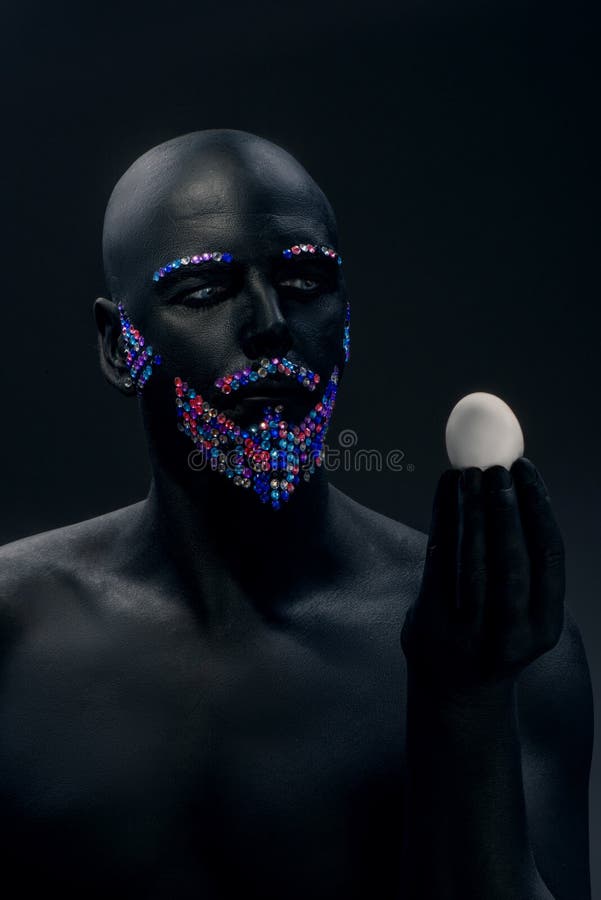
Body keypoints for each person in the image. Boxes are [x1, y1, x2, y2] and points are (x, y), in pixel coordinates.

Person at [0, 129, 593, 899]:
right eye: (205, 290)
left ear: (345, 321)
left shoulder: (506, 646)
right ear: (121, 346)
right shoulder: (11, 631)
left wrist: (465, 701)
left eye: (306, 282)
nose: (270, 325)